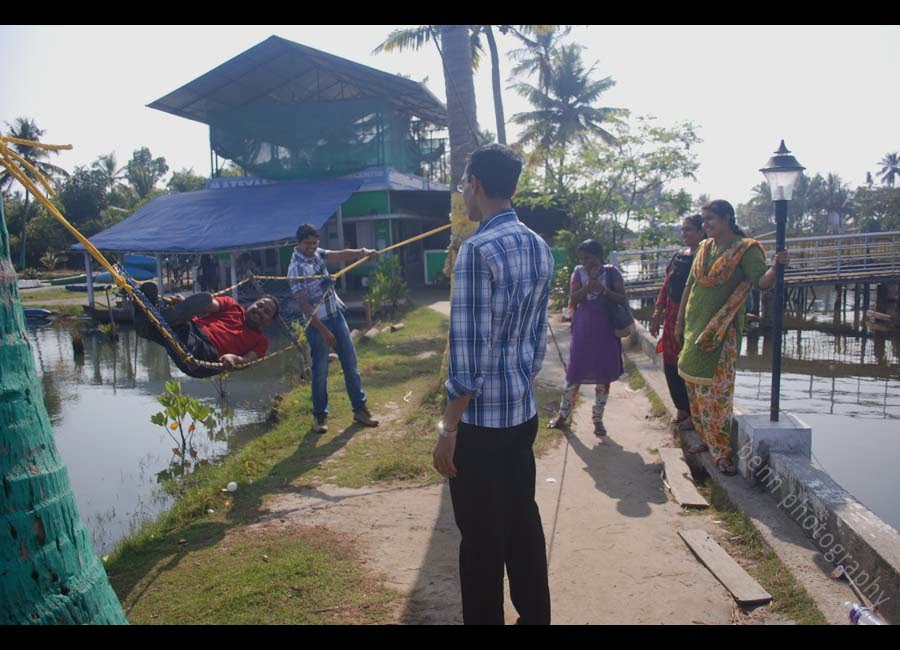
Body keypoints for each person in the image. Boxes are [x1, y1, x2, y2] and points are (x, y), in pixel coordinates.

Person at [433, 144, 554, 625]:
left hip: (480, 423)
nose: (463, 192)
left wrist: (448, 428)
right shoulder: (538, 245)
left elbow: (468, 354)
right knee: (522, 520)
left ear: (477, 184)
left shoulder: (477, 251)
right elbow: (537, 339)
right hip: (522, 412)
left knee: (481, 539)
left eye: (464, 183)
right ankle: (535, 615)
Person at [675, 200, 788, 475]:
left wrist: (777, 266)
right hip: (694, 326)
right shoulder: (704, 248)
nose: (706, 225)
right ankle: (706, 438)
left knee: (717, 392)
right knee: (695, 386)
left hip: (721, 329)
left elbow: (761, 281)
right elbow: (690, 286)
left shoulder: (746, 249)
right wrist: (679, 322)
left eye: (711, 219)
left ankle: (722, 452)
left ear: (727, 219)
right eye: (703, 220)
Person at [288, 224, 380, 434]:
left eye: (314, 243)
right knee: (320, 372)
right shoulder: (296, 269)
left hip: (336, 315)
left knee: (351, 364)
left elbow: (338, 255)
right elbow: (304, 306)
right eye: (307, 244)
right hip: (317, 325)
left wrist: (362, 252)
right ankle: (320, 417)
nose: (312, 247)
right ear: (299, 243)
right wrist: (323, 331)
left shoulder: (318, 254)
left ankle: (360, 410)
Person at [547, 239, 628, 437]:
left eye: (589, 257)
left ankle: (597, 419)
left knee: (604, 376)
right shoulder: (578, 273)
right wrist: (588, 285)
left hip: (606, 330)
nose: (585, 262)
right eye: (582, 258)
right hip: (584, 329)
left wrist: (602, 289)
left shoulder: (612, 273)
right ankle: (563, 415)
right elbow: (573, 298)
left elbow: (622, 298)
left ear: (599, 255)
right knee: (574, 374)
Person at [134, 281, 278, 377]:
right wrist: (193, 304)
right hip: (193, 328)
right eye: (259, 305)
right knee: (175, 330)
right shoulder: (232, 306)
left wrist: (235, 358)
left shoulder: (261, 342)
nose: (260, 311)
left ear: (269, 322)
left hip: (206, 357)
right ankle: (149, 323)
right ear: (254, 302)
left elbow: (247, 360)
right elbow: (211, 304)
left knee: (176, 329)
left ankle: (154, 317)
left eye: (266, 312)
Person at [649, 214, 706, 431]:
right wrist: (658, 311)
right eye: (683, 230)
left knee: (689, 363)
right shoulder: (679, 256)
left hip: (693, 316)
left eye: (689, 230)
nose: (684, 234)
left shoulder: (705, 256)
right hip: (673, 313)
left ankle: (695, 413)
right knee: (670, 361)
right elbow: (667, 284)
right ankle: (681, 407)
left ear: (702, 232)